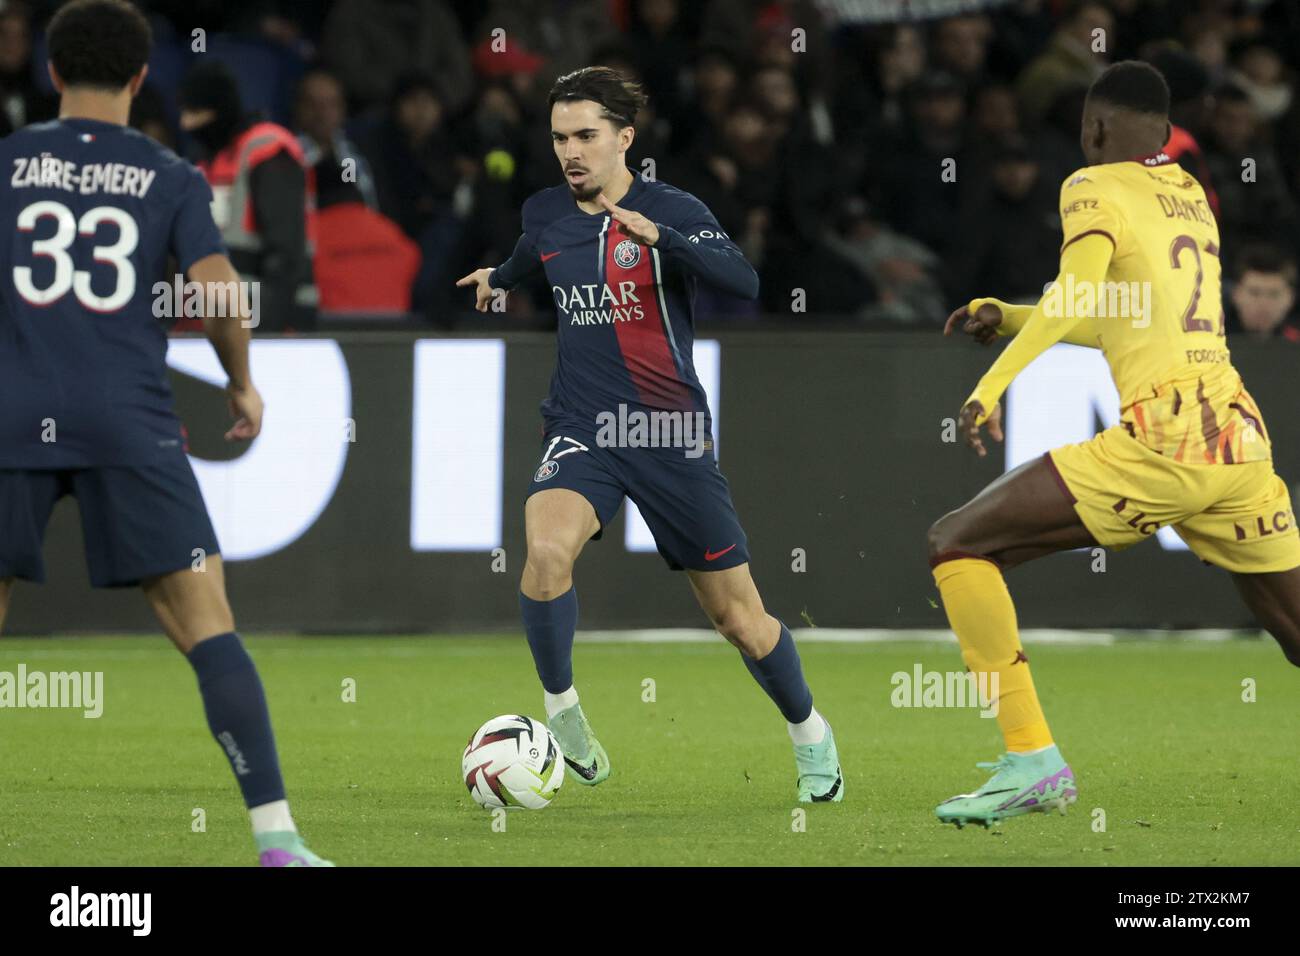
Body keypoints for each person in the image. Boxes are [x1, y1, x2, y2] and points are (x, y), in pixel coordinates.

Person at [0, 0, 330, 866]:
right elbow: (220, 293)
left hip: (7, 414)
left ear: (52, 72)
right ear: (144, 77)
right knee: (207, 624)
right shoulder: (170, 175)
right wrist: (242, 383)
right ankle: (278, 840)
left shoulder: (4, 164)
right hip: (129, 420)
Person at [456, 67, 842, 802]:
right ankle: (563, 715)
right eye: (560, 138)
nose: (571, 151)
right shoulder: (546, 211)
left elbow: (744, 279)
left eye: (586, 137)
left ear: (624, 139)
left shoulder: (672, 207)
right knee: (544, 552)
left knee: (739, 619)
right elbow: (529, 257)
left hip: (668, 433)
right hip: (583, 427)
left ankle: (809, 732)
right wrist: (497, 278)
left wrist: (663, 237)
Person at [930, 60, 1300, 827]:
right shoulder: (1191, 193)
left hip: (1164, 442)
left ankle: (1030, 759)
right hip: (1238, 438)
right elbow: (1124, 317)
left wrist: (990, 385)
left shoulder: (1088, 186)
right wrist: (1012, 312)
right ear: (1164, 134)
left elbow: (1078, 293)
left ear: (1093, 130)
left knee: (957, 545)